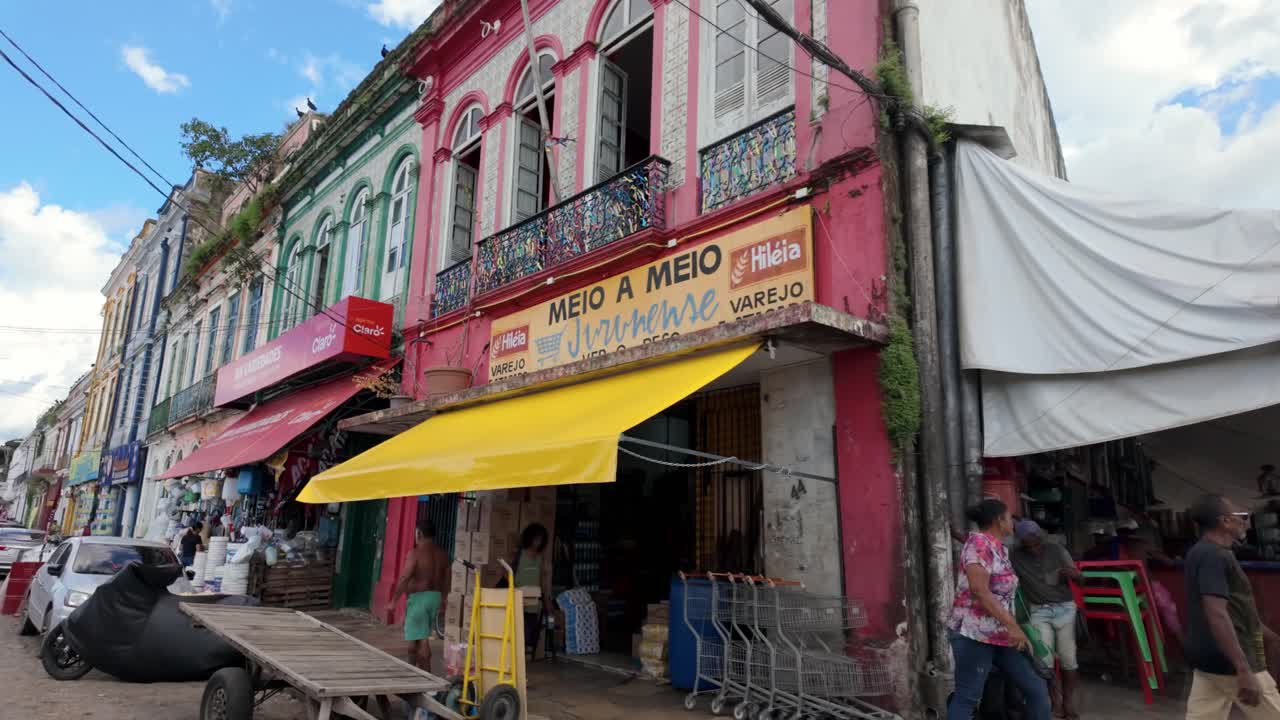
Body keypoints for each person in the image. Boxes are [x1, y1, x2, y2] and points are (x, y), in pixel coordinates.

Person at [947, 499, 1051, 720]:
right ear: (999, 520)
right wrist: (1013, 626)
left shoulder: (999, 548)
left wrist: (1013, 627)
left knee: (1036, 688)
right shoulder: (979, 544)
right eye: (1010, 517)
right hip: (973, 634)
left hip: (1000, 634)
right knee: (967, 697)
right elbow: (979, 590)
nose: (1013, 522)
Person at [1184, 494, 1280, 718]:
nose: (1246, 522)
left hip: (1207, 660)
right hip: (1232, 661)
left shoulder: (1199, 552)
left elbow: (1236, 610)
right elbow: (1217, 613)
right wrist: (1243, 669)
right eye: (1242, 516)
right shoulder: (1215, 556)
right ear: (1225, 521)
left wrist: (1272, 637)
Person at [1010, 520, 1083, 719]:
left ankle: (1068, 702)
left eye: (1037, 543)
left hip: (1065, 608)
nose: (1034, 549)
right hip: (1038, 611)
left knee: (1069, 659)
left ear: (1041, 538)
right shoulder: (1015, 555)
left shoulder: (1057, 550)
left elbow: (1081, 579)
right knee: (1044, 662)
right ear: (1021, 543)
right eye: (1028, 545)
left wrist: (1074, 575)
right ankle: (1055, 701)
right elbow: (986, 551)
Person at [393, 520, 450, 672]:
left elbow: (405, 577)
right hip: (435, 598)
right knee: (416, 638)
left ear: (419, 533)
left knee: (422, 640)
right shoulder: (443, 555)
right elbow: (447, 581)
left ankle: (424, 676)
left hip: (419, 599)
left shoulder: (415, 553)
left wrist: (393, 601)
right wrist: (443, 600)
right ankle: (413, 672)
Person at [509, 523, 553, 656]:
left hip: (533, 603)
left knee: (529, 634)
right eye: (536, 539)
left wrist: (546, 600)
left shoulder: (540, 558)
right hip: (517, 600)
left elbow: (543, 580)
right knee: (516, 631)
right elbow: (508, 573)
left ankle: (522, 658)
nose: (538, 542)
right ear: (529, 538)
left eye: (540, 539)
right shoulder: (518, 554)